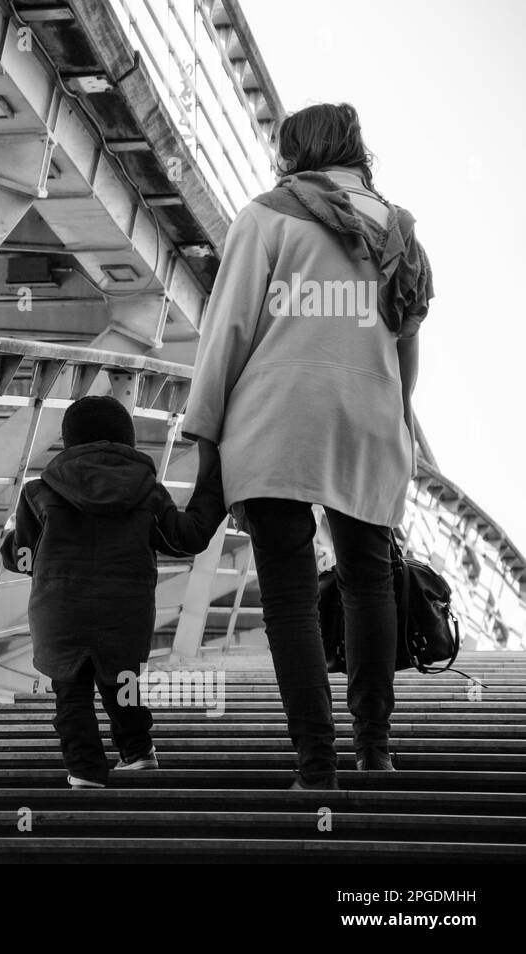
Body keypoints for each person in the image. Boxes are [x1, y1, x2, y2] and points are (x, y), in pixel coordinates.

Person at [181, 103, 433, 790]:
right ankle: (375, 750)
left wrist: (205, 431)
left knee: (291, 600)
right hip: (368, 419)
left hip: (275, 423)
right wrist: (399, 425)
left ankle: (315, 765)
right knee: (368, 580)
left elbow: (227, 331)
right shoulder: (400, 233)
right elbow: (406, 347)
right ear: (358, 152)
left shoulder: (265, 216)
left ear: (293, 154)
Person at [1, 395, 226, 788]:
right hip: (125, 609)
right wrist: (217, 482)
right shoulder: (147, 493)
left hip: (61, 610)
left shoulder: (39, 493)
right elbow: (186, 538)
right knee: (123, 683)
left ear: (68, 442)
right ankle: (137, 752)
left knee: (71, 694)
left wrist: (10, 540)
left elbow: (22, 556)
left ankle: (85, 771)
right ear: (129, 442)